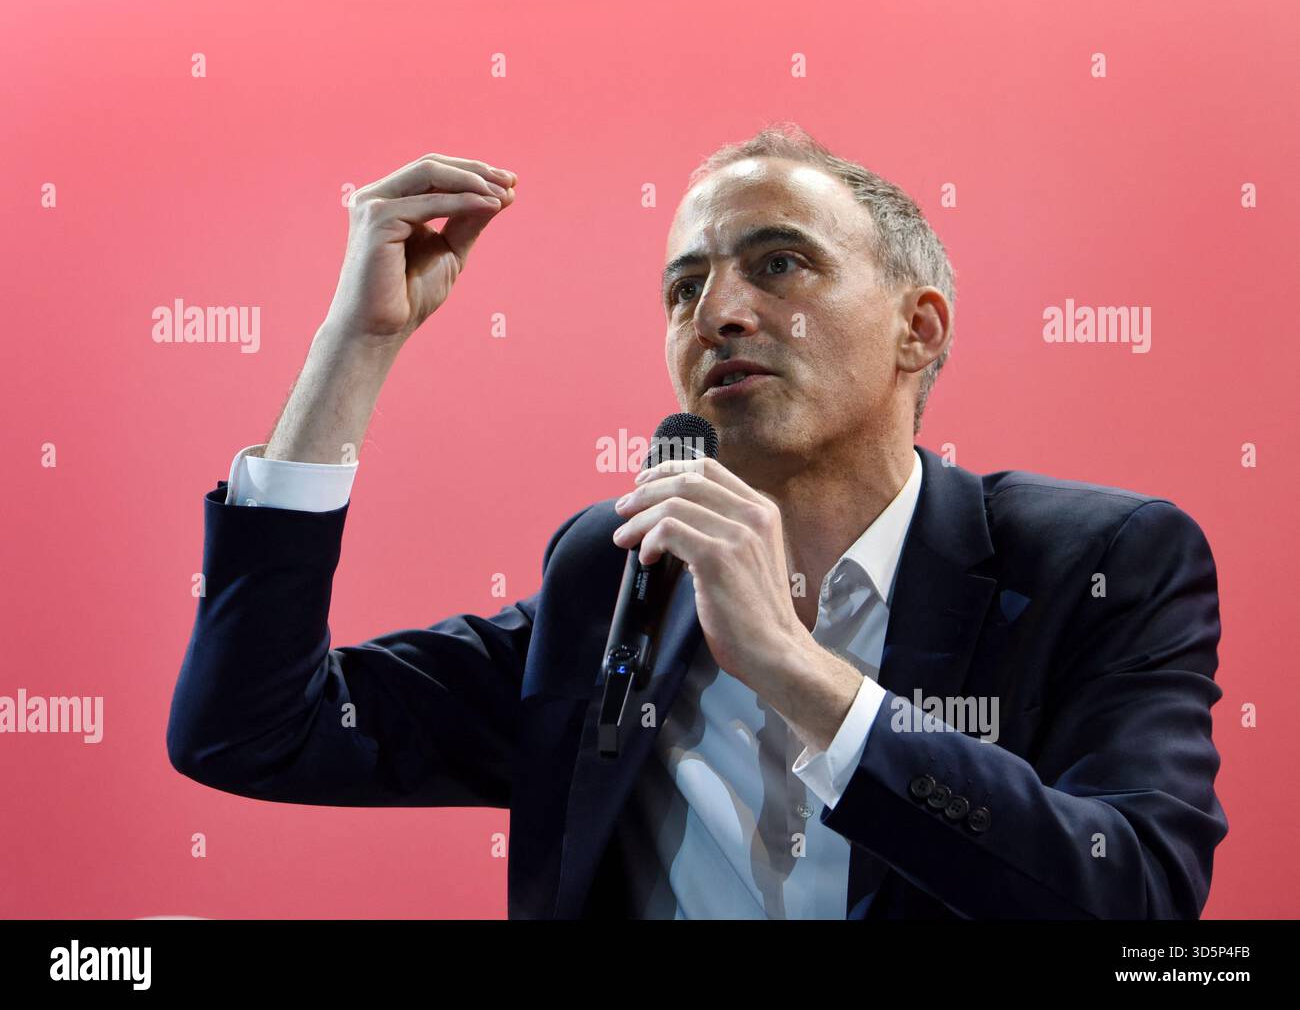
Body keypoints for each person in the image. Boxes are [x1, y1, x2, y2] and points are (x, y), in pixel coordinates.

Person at [166, 122, 1228, 919]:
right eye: (685, 287)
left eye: (778, 263)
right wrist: (356, 343)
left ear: (918, 328)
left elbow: (1134, 892)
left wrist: (793, 669)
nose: (717, 311)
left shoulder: (1100, 559)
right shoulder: (620, 571)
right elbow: (252, 728)